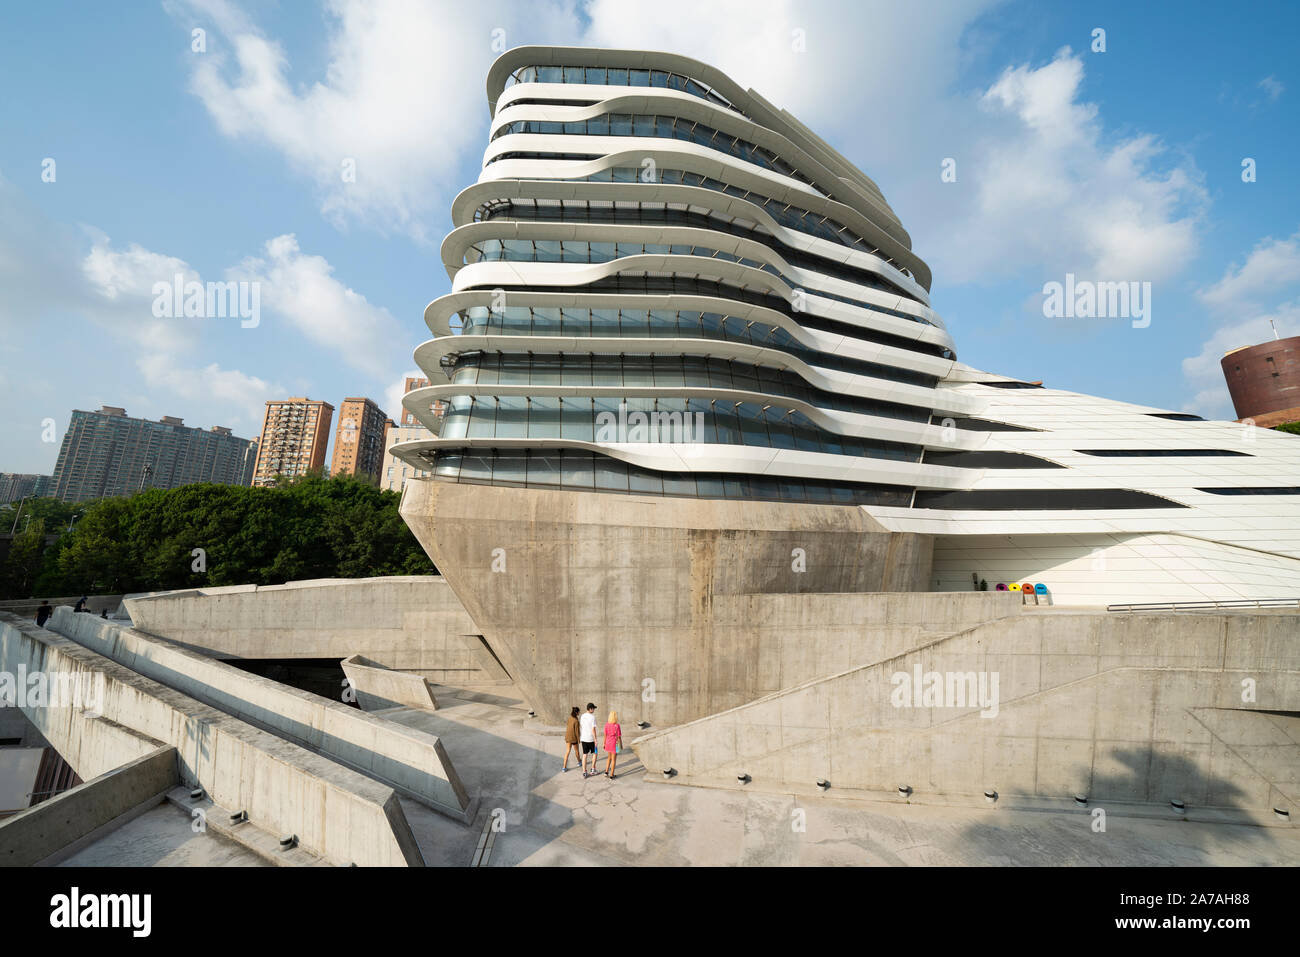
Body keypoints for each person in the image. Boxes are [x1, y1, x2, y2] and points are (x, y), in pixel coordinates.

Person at [579, 702, 599, 776]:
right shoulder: (592, 717)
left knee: (585, 754)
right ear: (590, 709)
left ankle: (584, 772)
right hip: (590, 739)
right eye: (593, 708)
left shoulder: (582, 716)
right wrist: (595, 740)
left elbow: (581, 726)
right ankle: (593, 769)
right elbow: (593, 730)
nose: (594, 710)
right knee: (595, 753)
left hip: (584, 738)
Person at [603, 710, 623, 779]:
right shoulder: (617, 725)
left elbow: (605, 735)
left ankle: (606, 772)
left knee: (609, 758)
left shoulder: (606, 724)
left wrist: (604, 743)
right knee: (614, 759)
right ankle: (612, 774)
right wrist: (621, 745)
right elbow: (619, 736)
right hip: (614, 743)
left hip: (608, 743)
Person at [562, 706, 582, 772]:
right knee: (577, 751)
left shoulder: (570, 718)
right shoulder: (576, 720)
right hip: (573, 738)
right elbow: (577, 731)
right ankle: (579, 762)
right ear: (576, 712)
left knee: (567, 751)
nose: (579, 712)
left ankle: (564, 767)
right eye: (579, 711)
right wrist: (579, 740)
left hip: (568, 737)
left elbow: (568, 725)